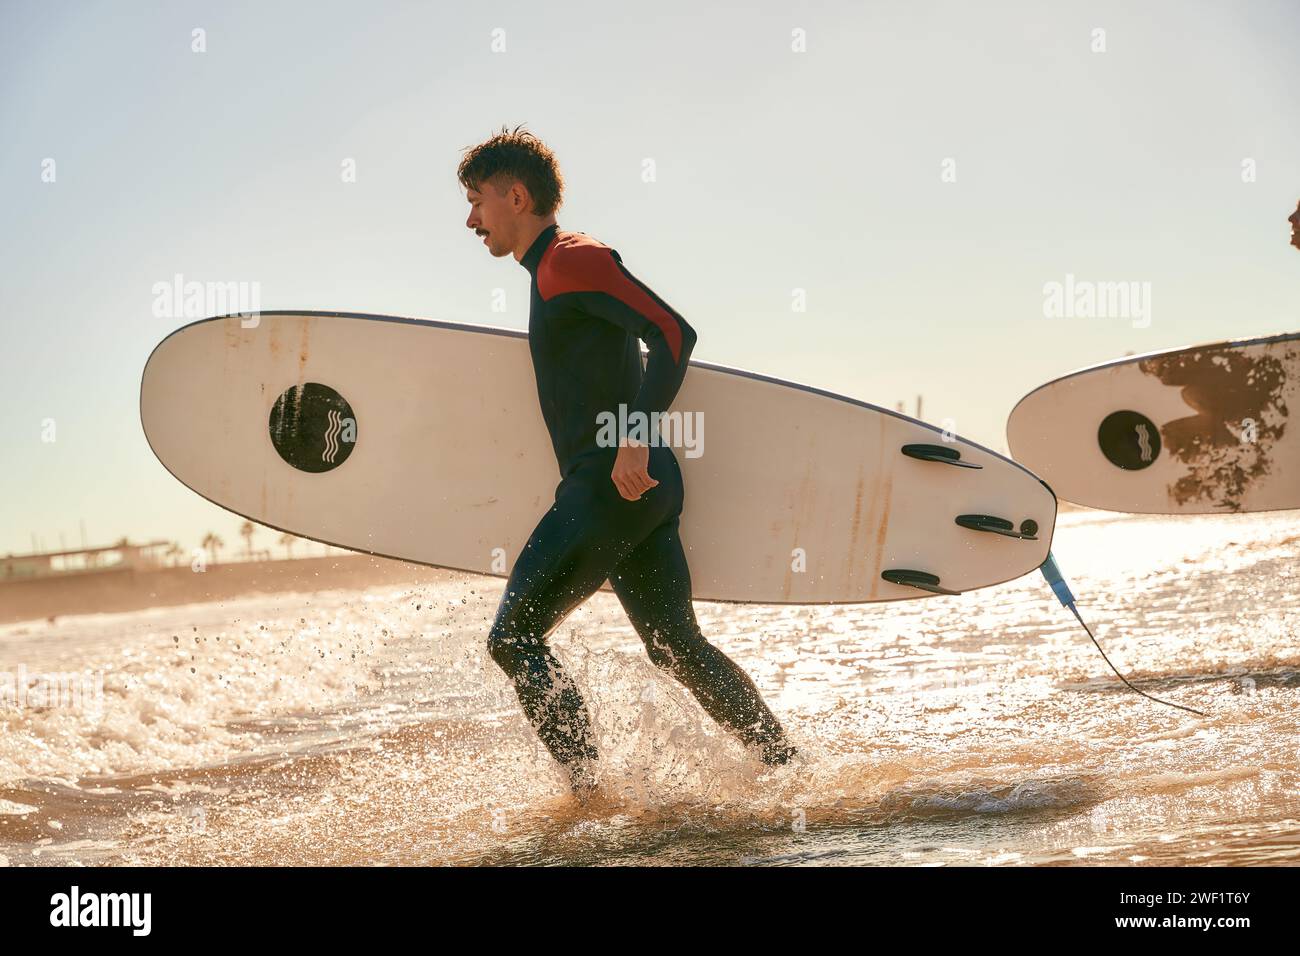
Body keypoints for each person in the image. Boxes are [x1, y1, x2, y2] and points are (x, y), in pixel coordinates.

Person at [458, 125, 796, 799]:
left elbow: (674, 333)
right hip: (635, 490)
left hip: (612, 484)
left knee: (513, 638)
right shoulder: (550, 272)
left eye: (476, 201)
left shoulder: (570, 258)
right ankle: (788, 769)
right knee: (675, 648)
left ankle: (589, 798)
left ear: (516, 196)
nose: (470, 219)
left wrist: (634, 433)